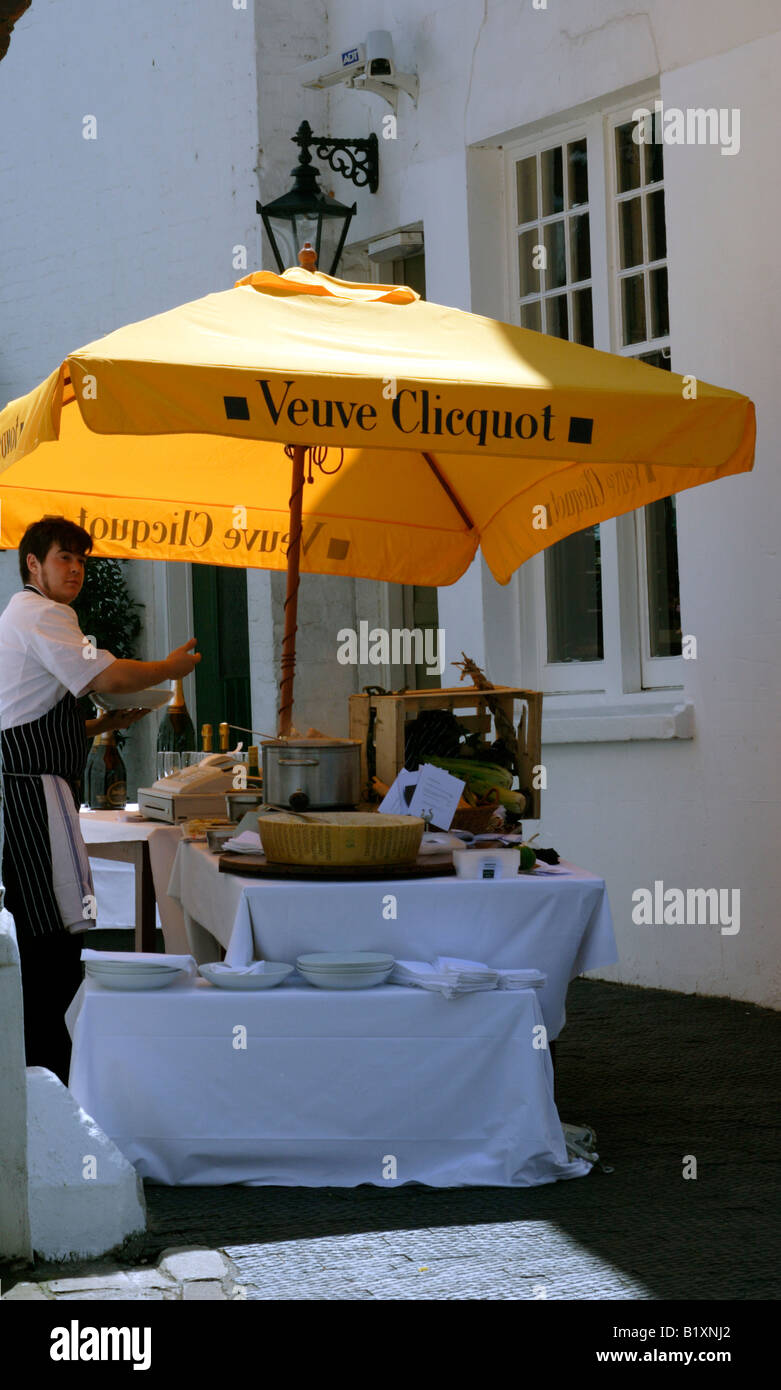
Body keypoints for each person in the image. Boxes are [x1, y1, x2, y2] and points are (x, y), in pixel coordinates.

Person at [0, 516, 200, 1084]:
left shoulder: (29, 614)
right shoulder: (41, 612)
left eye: (82, 561)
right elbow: (107, 674)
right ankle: (49, 1076)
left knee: (49, 935)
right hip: (35, 796)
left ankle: (46, 1068)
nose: (76, 570)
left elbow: (25, 714)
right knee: (51, 939)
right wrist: (171, 668)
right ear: (34, 565)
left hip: (31, 790)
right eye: (65, 558)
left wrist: (98, 727)